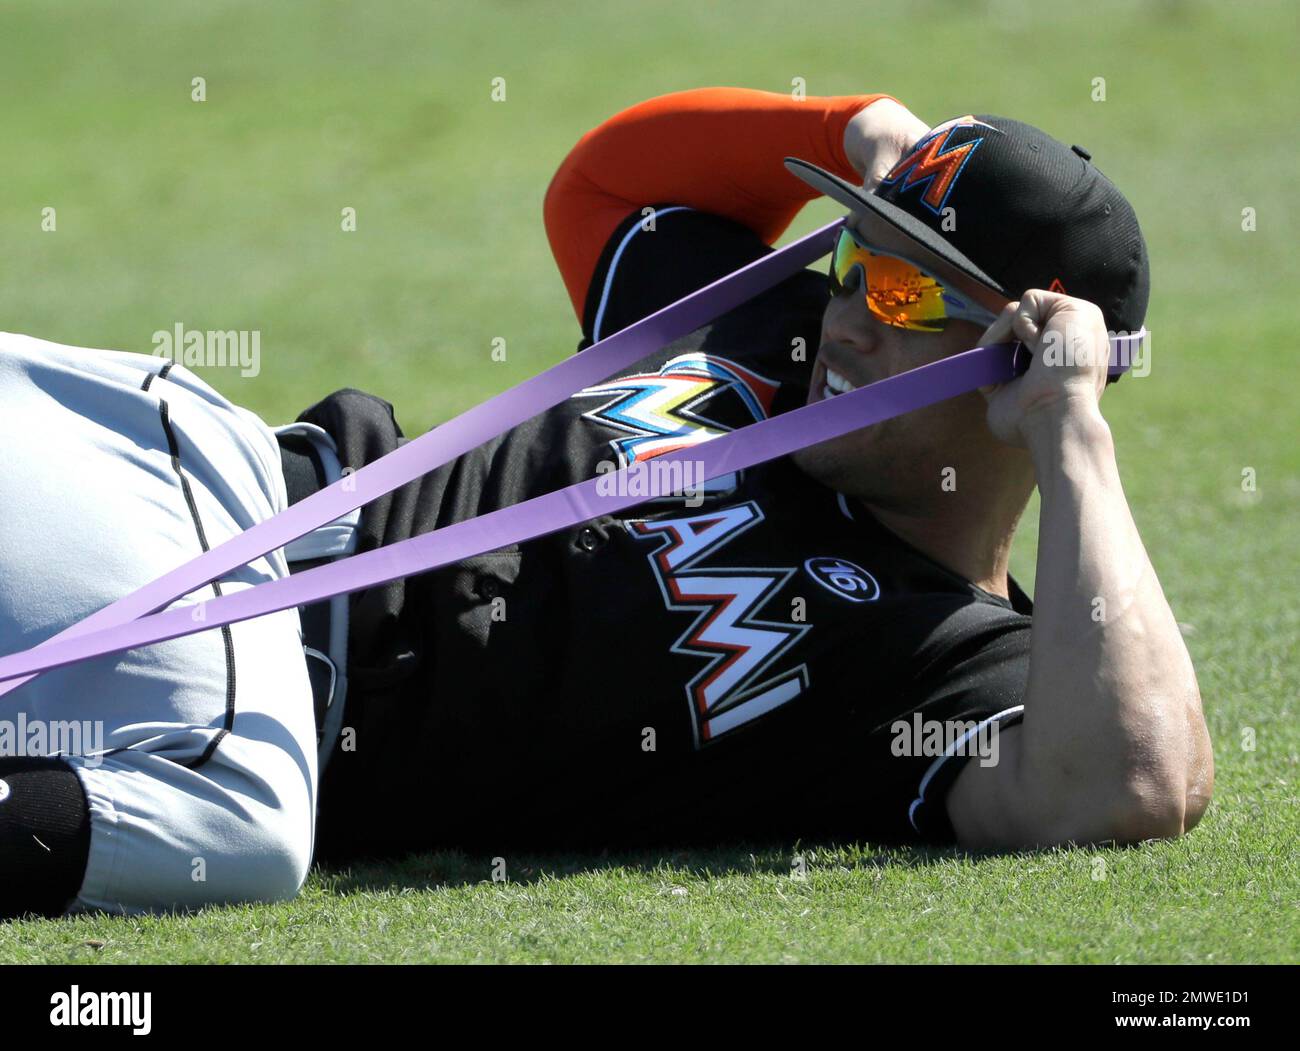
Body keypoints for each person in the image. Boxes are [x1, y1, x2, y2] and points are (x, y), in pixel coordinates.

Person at [0, 88, 1212, 917]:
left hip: (226, 709)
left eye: (903, 295)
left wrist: (1072, 437)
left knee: (243, 834)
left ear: (1019, 359)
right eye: (855, 261)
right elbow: (601, 183)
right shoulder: (772, 332)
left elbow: (1132, 785)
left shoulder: (946, 656)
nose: (848, 318)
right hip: (202, 477)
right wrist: (844, 126)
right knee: (237, 829)